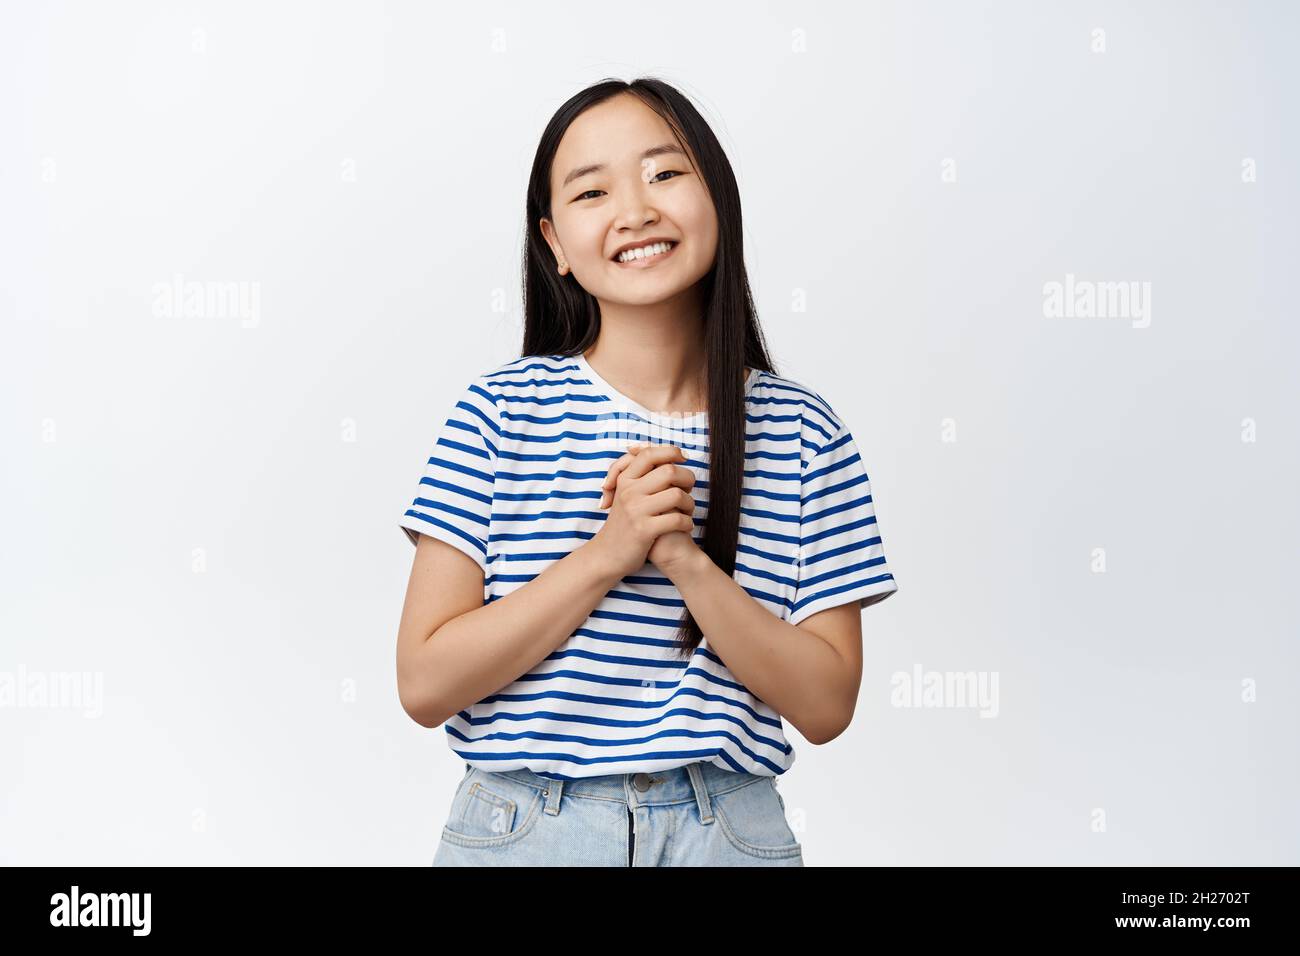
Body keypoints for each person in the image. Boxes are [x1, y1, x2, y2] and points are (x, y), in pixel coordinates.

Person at [395, 77, 899, 866]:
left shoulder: (803, 431)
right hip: (527, 827)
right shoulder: (498, 411)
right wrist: (608, 553)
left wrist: (684, 561)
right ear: (555, 244)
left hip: (726, 830)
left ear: (718, 200)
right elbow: (425, 683)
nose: (636, 210)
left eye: (665, 173)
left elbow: (827, 702)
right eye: (592, 191)